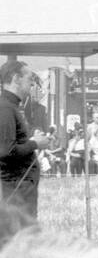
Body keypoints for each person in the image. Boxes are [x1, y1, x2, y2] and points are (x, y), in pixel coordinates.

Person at [2, 62, 53, 221]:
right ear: (16, 79)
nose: (32, 83)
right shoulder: (6, 109)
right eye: (29, 78)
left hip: (20, 192)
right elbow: (6, 151)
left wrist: (32, 139)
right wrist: (35, 144)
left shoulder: (11, 107)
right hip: (14, 193)